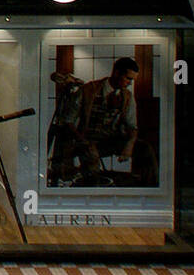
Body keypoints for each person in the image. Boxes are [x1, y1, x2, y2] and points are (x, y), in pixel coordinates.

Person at [64, 56, 157, 187]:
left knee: (145, 148)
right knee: (91, 171)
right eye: (128, 78)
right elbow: (68, 121)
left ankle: (149, 189)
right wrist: (83, 141)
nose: (130, 83)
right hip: (87, 141)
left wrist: (129, 145)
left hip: (111, 140)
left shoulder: (127, 96)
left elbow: (132, 126)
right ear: (117, 73)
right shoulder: (88, 90)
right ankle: (94, 189)